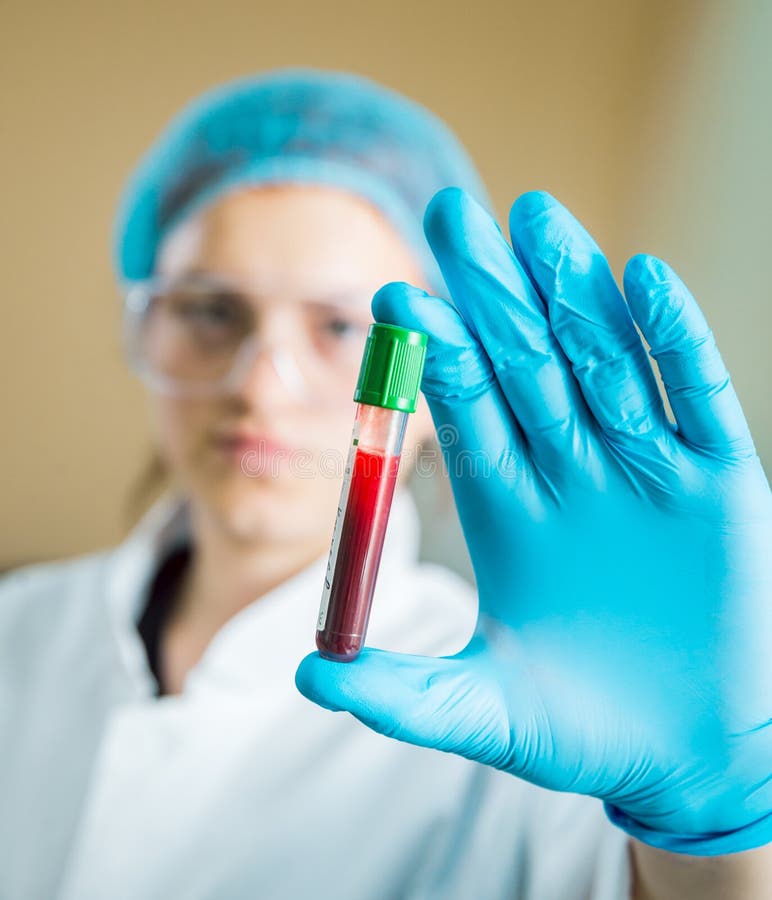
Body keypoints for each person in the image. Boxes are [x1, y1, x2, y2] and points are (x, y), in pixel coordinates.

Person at [0, 68, 769, 900]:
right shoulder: (19, 627)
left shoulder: (528, 701)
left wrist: (708, 823)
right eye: (212, 311)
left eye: (341, 328)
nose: (259, 389)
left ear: (438, 377)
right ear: (147, 323)